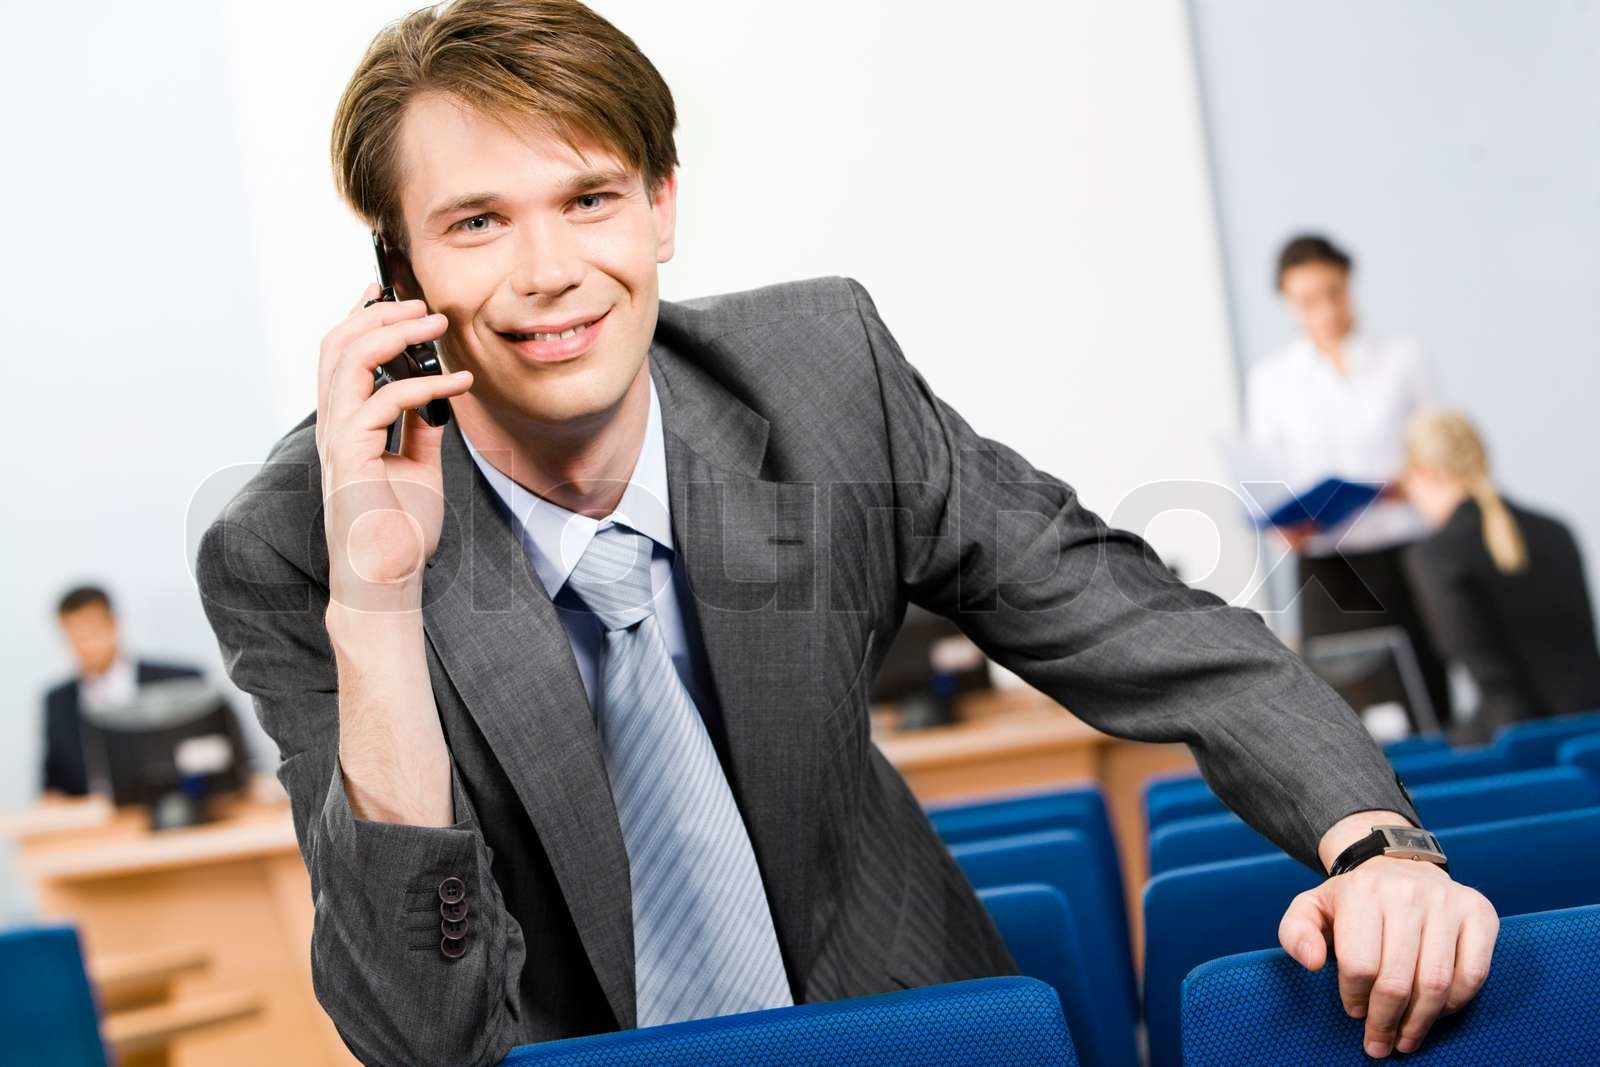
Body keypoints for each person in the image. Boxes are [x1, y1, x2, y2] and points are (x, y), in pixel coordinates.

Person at [194, 4, 1497, 1063]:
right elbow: (416, 1033)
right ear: (399, 270)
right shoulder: (294, 545)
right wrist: (377, 603)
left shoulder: (820, 378)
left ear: (659, 206)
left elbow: (1142, 619)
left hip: (911, 1023)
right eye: (478, 221)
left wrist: (1377, 841)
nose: (547, 269)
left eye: (588, 198)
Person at [1245, 234, 1453, 728]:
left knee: (1427, 701)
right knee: (1343, 719)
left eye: (1334, 292)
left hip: (1403, 556)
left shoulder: (1403, 358)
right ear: (1288, 303)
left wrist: (1391, 487)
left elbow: (1438, 454)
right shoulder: (1272, 380)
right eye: (1308, 300)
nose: (1326, 309)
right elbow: (1269, 479)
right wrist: (1283, 525)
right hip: (1328, 568)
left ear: (1350, 285)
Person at [1402, 409, 1600, 744]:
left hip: (1519, 745)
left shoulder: (1434, 556)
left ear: (1425, 475)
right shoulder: (1556, 531)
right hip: (1591, 734)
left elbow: (1494, 686)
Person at [43, 585, 204, 797]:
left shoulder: (179, 680)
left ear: (113, 624)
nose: (85, 646)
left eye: (91, 632)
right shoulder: (58, 702)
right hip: (97, 821)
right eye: (75, 637)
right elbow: (53, 784)